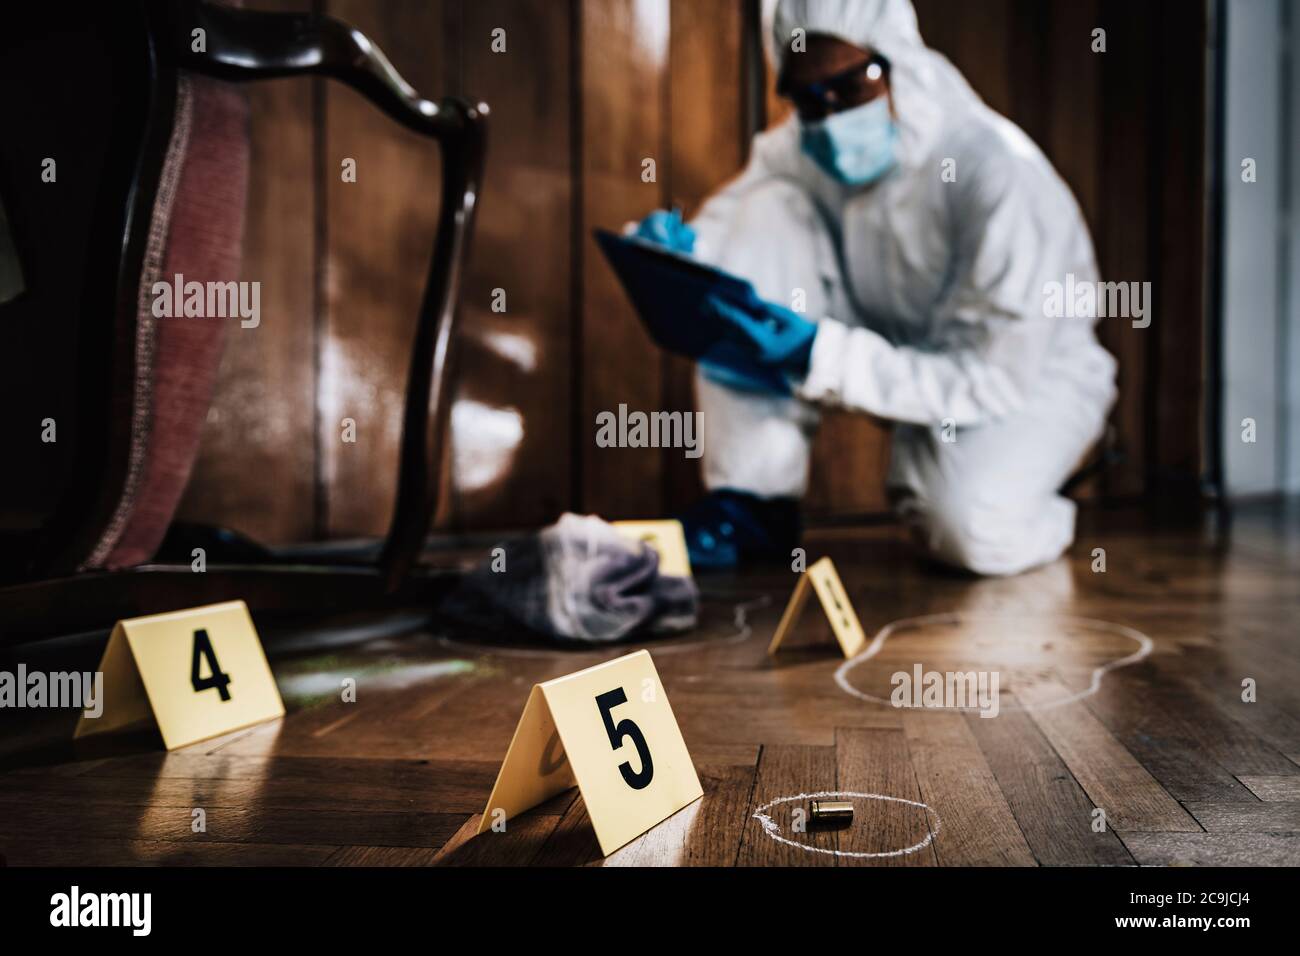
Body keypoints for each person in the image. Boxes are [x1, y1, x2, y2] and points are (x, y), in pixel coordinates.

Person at [637, 0, 1117, 576]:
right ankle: (754, 504)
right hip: (893, 348)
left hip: (1024, 379)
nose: (831, 116)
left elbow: (992, 374)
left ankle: (1050, 490)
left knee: (969, 531)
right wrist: (682, 253)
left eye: (851, 84)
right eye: (809, 98)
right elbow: (738, 219)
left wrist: (820, 355)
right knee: (767, 212)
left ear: (897, 62)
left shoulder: (997, 173)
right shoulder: (804, 142)